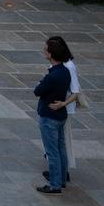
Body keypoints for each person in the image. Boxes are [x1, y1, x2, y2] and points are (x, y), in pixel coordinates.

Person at [34, 36, 74, 194]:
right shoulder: (65, 71)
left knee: (52, 151)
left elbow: (37, 91)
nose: (44, 51)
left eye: (46, 49)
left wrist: (40, 83)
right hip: (60, 115)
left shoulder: (52, 75)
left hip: (48, 116)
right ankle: (62, 178)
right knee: (60, 147)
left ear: (51, 54)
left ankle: (55, 184)